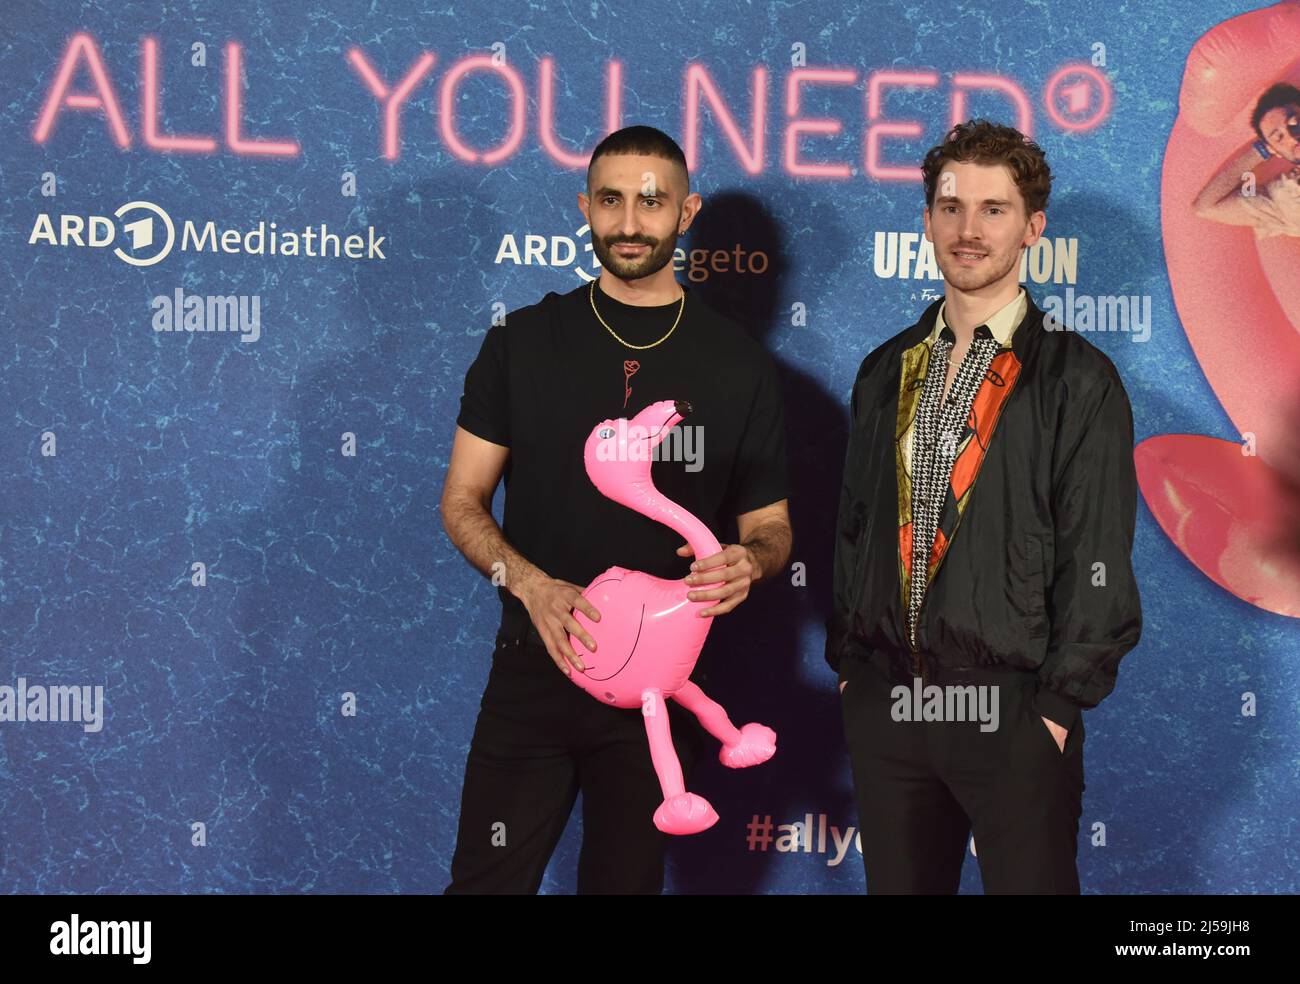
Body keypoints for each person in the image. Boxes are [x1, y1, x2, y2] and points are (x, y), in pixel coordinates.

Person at [441, 125, 792, 894]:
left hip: (656, 692)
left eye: (651, 201)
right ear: (585, 207)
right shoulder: (523, 341)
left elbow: (770, 529)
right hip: (533, 673)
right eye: (610, 200)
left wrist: (753, 564)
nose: (629, 222)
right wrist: (532, 588)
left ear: (686, 212)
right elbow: (463, 503)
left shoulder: (738, 366)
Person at [826, 119, 1142, 894]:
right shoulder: (884, 371)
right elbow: (854, 528)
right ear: (928, 218)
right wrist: (852, 672)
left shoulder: (1078, 378)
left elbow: (1095, 556)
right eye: (951, 206)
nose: (968, 230)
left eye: (994, 209)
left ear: (1033, 227)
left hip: (1013, 711)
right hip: (889, 706)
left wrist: (1057, 709)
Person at [1194, 81, 1300, 237]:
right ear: (1276, 151)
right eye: (1278, 137)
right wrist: (1259, 153)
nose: (1292, 137)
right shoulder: (1286, 199)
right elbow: (1206, 207)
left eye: (1294, 122)